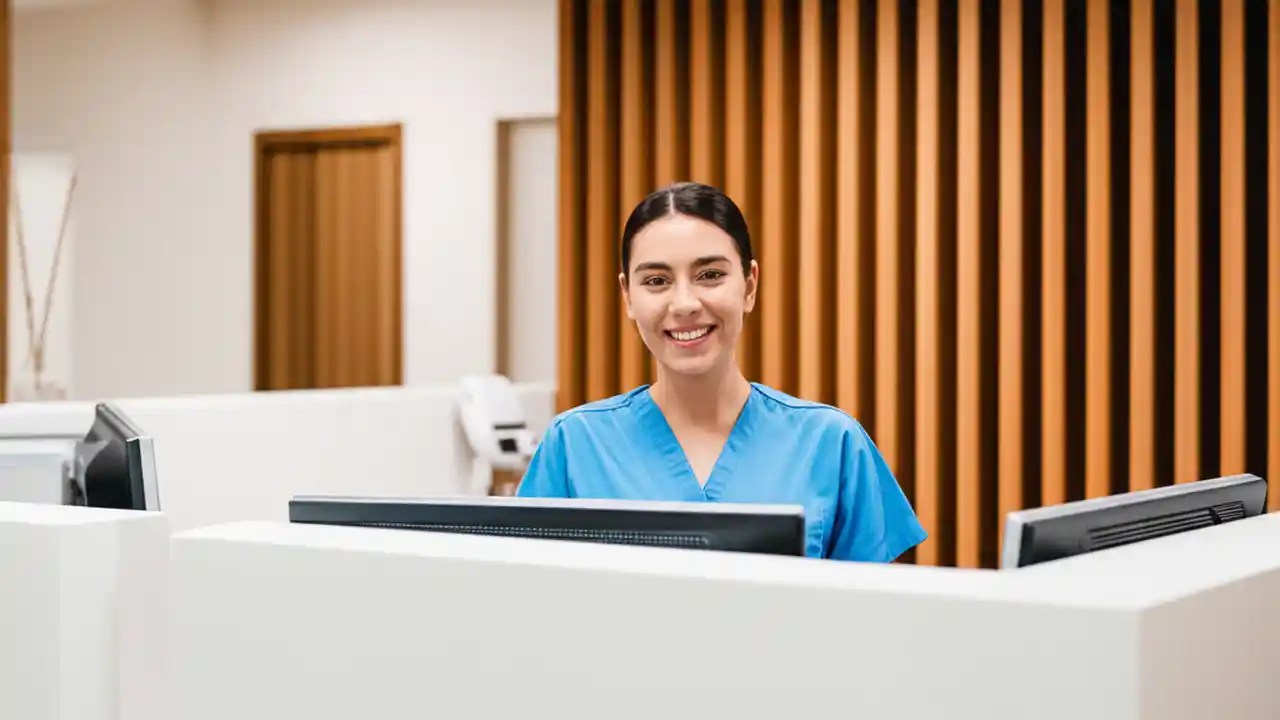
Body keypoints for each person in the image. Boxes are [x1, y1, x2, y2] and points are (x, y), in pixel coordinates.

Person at [517, 182, 925, 562]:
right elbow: (528, 596)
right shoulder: (575, 445)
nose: (684, 304)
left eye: (709, 275)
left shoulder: (831, 444)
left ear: (749, 285)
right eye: (656, 280)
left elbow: (872, 608)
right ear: (628, 296)